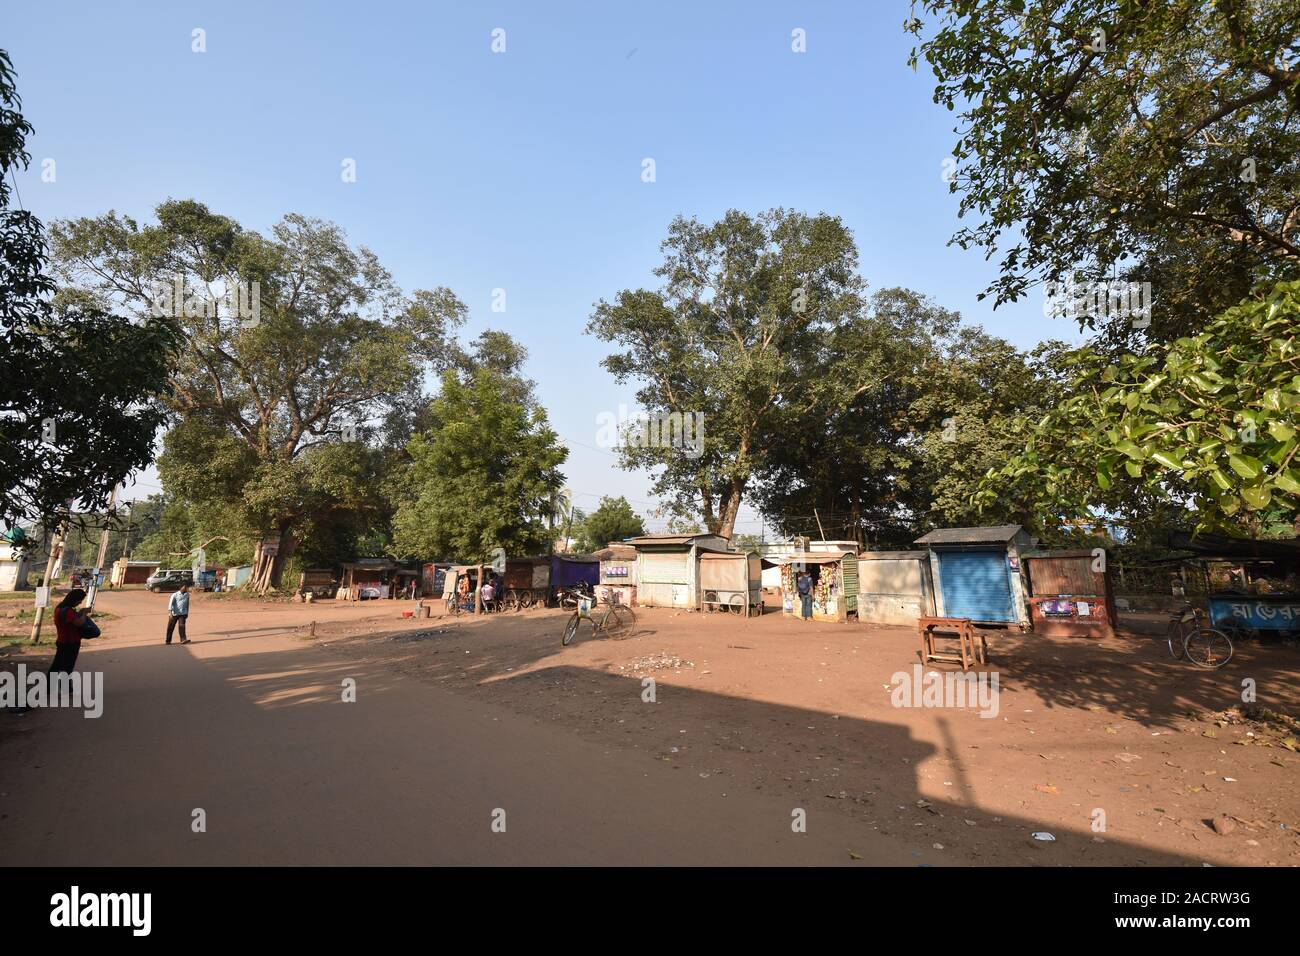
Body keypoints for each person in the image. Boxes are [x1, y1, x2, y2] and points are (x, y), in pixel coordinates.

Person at [50, 588, 97, 673]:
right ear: (74, 599)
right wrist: (83, 613)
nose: (80, 602)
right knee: (67, 667)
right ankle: (65, 685)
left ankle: (51, 684)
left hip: (62, 640)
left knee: (57, 665)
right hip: (70, 642)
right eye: (80, 600)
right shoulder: (67, 611)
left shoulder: (60, 608)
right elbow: (79, 623)